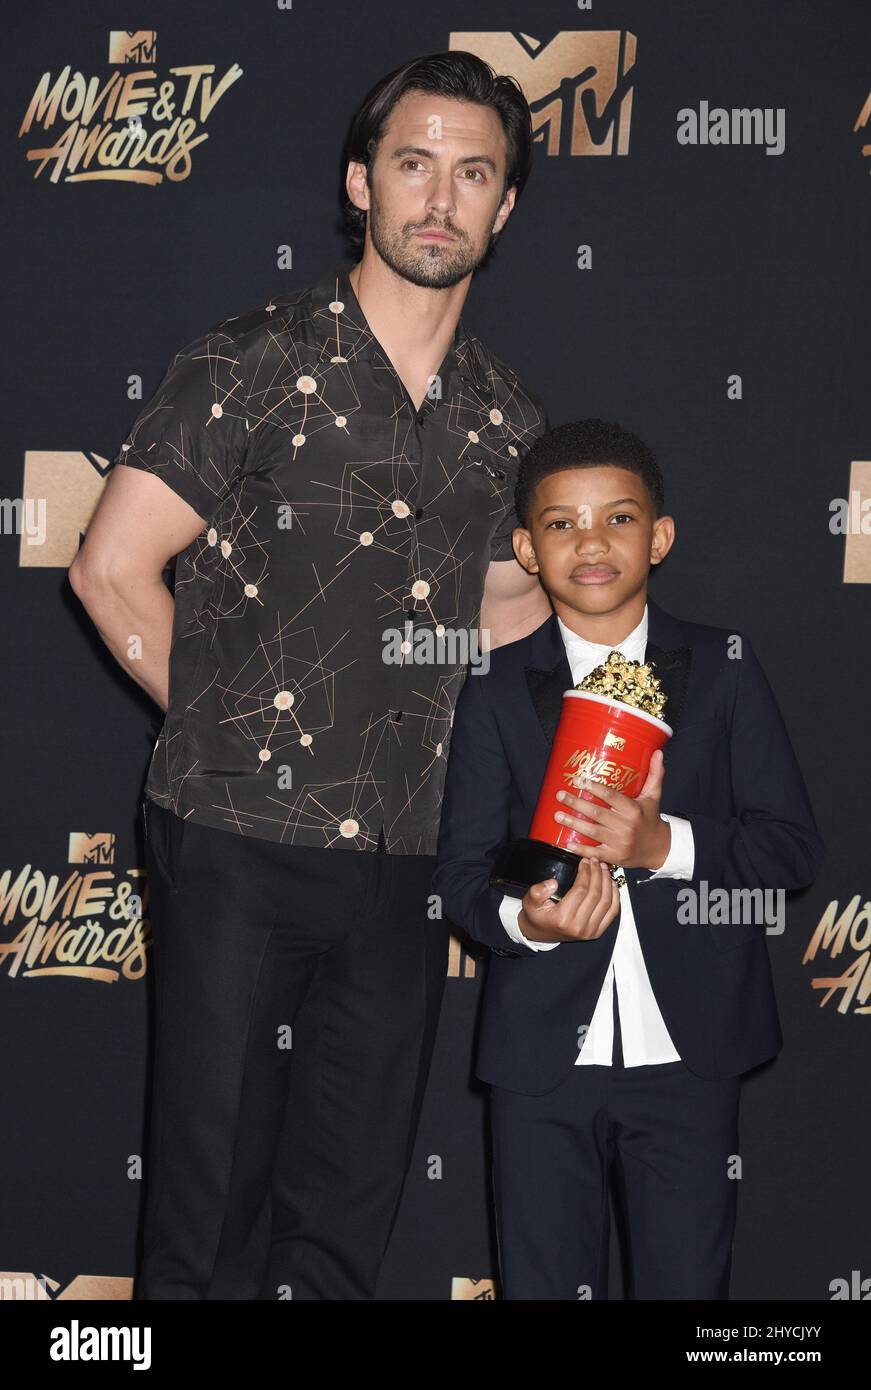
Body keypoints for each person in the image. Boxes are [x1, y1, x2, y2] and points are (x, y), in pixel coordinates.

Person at [67, 51, 551, 1300]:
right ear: (360, 182)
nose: (439, 198)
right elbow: (114, 569)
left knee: (345, 1216)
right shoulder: (249, 361)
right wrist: (243, 739)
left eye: (472, 172)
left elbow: (502, 611)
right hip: (233, 837)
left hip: (404, 860)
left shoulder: (509, 421)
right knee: (207, 1215)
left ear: (504, 207)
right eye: (412, 164)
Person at [431, 418, 824, 1300]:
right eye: (562, 524)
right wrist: (524, 922)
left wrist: (663, 844)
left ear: (660, 536)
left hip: (691, 1053)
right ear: (528, 551)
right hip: (538, 1058)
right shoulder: (494, 688)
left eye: (617, 518)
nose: (592, 543)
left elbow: (791, 846)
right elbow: (460, 876)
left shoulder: (723, 667)